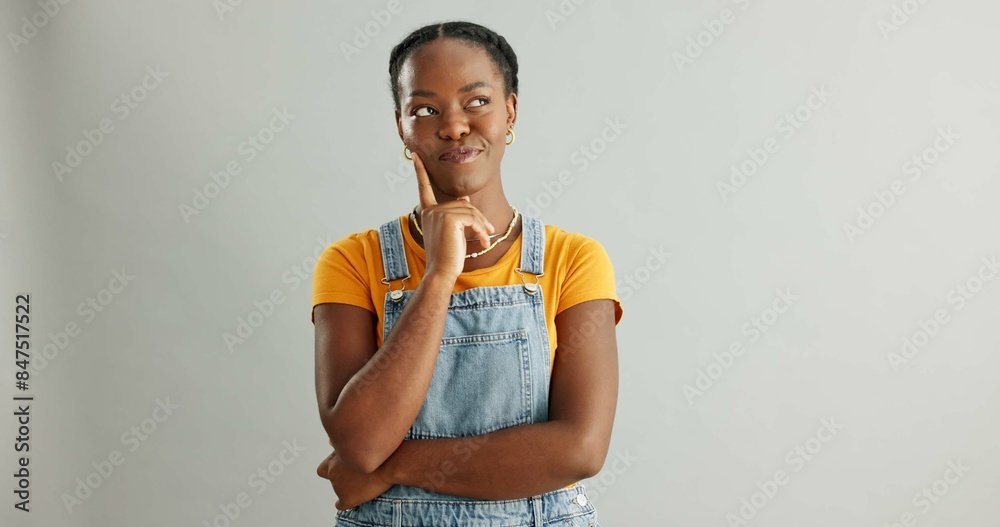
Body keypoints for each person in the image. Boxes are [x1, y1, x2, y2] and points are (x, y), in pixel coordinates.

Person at [312, 20, 623, 526]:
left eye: (476, 101)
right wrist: (438, 275)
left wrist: (394, 468)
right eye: (425, 109)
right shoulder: (353, 261)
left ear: (511, 111)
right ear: (401, 127)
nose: (454, 126)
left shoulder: (574, 260)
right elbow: (359, 443)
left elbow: (579, 450)